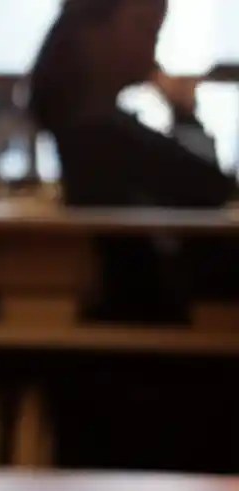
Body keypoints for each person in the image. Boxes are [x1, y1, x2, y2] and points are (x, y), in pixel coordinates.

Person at [29, 0, 237, 322]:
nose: (152, 46)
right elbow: (211, 186)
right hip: (150, 316)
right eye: (144, 29)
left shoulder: (83, 124)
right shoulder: (98, 133)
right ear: (91, 37)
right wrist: (184, 112)